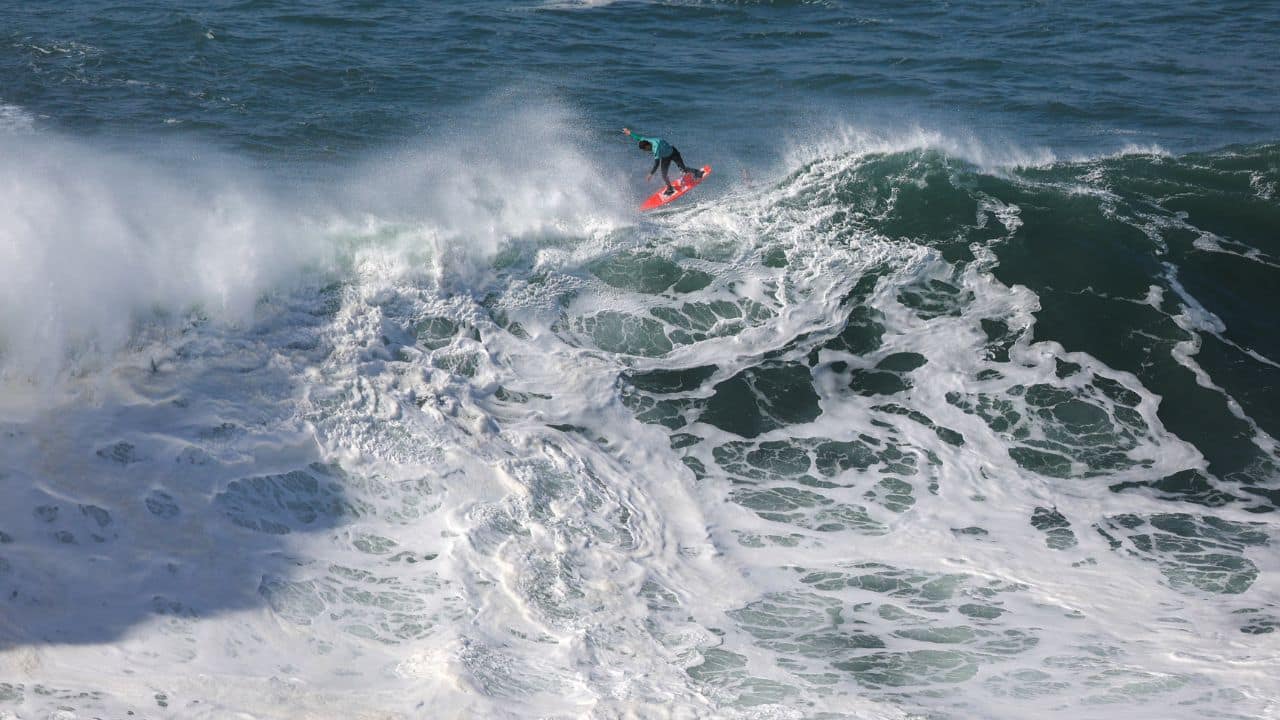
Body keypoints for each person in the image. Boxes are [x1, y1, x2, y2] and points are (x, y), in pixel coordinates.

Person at [623, 128, 704, 196]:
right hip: (665, 157)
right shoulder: (645, 140)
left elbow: (657, 163)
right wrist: (630, 133)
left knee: (683, 169)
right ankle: (670, 188)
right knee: (664, 175)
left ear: (647, 146)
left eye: (645, 149)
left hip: (673, 153)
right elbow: (638, 137)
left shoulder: (656, 148)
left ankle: (698, 172)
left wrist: (651, 173)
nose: (646, 151)